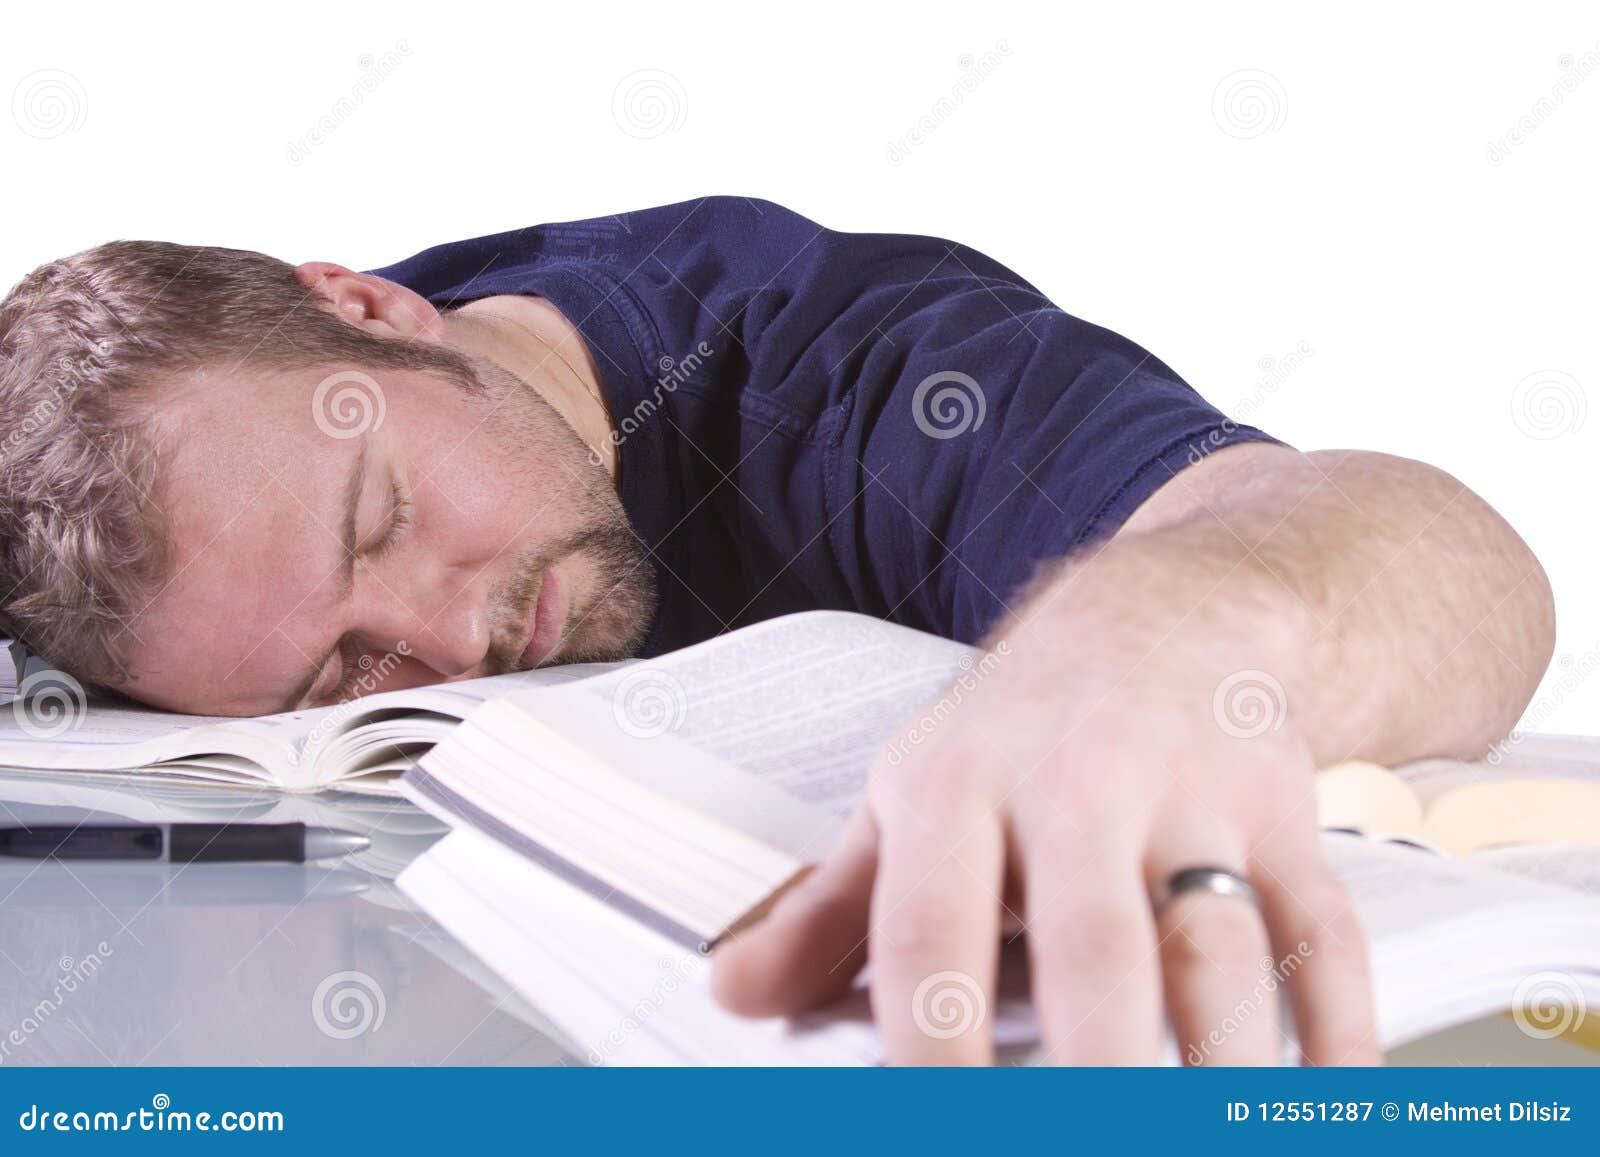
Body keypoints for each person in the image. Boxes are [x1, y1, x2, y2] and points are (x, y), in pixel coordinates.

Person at [0, 196, 1554, 1065]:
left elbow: (1450, 561)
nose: (449, 641)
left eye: (384, 518)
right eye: (337, 675)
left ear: (369, 305)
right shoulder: (185, 515)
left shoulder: (833, 370)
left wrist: (1153, 639)